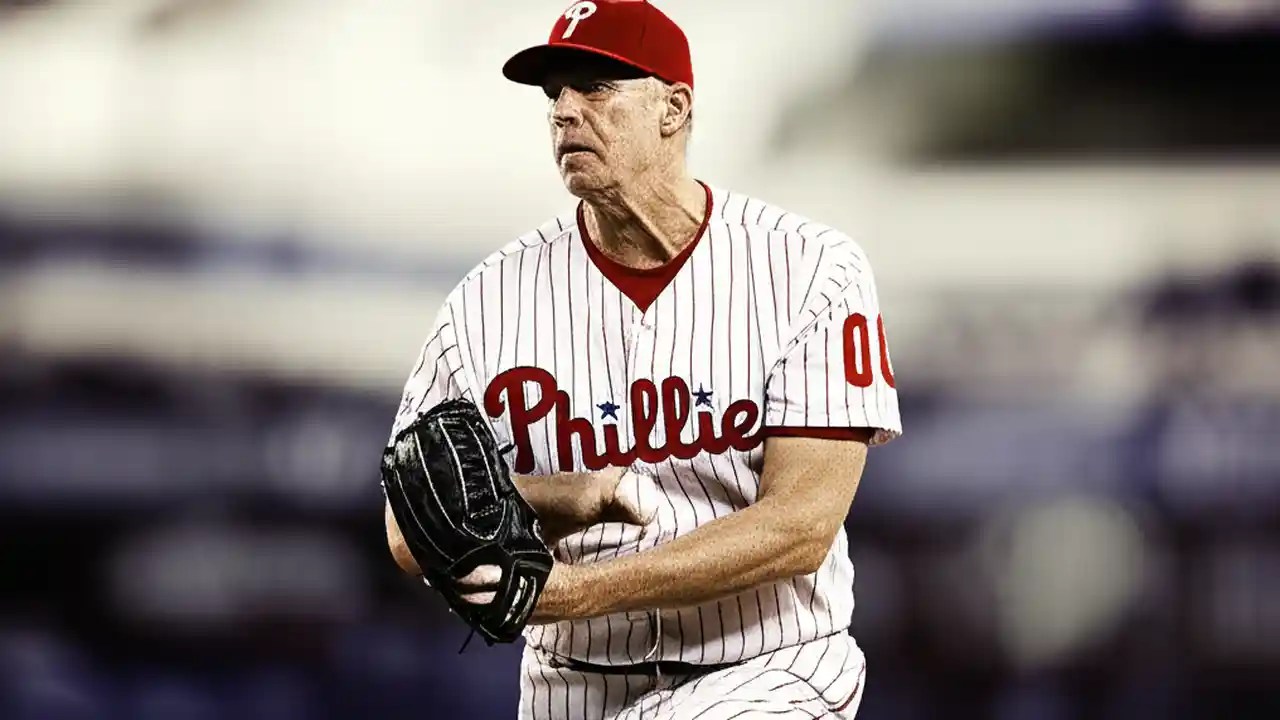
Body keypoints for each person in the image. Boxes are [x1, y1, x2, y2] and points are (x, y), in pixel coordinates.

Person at [385, 1, 902, 717]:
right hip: (573, 686)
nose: (565, 110)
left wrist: (580, 592)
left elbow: (801, 526)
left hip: (772, 668)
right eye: (553, 93)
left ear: (673, 108)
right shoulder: (485, 302)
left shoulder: (811, 270)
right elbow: (407, 523)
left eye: (595, 87)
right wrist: (551, 497)